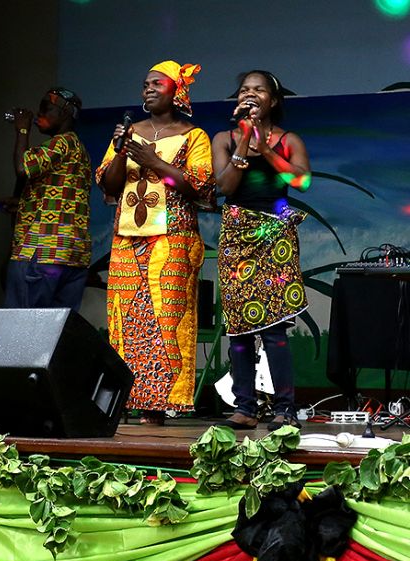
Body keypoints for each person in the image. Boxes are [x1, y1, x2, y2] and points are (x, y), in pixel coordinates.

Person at [97, 61, 215, 425]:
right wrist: (120, 150)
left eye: (156, 83)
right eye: (144, 84)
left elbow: (200, 184)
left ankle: (159, 407)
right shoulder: (129, 134)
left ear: (176, 91)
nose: (147, 89)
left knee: (167, 321)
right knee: (126, 320)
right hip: (127, 241)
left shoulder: (194, 136)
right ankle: (124, 398)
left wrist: (151, 160)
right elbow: (109, 185)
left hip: (173, 239)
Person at [211, 70, 311, 431]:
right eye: (243, 90)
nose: (250, 94)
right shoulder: (224, 138)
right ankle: (245, 406)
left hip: (275, 237)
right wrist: (243, 141)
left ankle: (284, 408)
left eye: (258, 90)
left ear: (273, 100)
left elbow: (302, 180)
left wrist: (265, 147)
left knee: (273, 329)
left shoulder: (288, 139)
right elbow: (224, 186)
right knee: (238, 328)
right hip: (237, 237)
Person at [4, 87, 92, 311]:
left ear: (65, 113)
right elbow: (61, 195)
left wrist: (22, 130)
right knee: (58, 333)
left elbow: (23, 169)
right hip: (72, 255)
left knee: (24, 327)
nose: (38, 114)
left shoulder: (61, 143)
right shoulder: (79, 149)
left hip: (42, 252)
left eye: (46, 108)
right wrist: (23, 204)